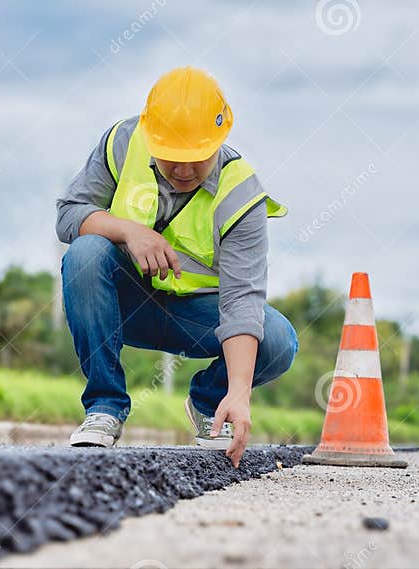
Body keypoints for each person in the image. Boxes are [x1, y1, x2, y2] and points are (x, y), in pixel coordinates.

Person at [55, 66, 299, 468]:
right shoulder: (121, 143)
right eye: (172, 159)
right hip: (125, 305)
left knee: (276, 339)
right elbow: (68, 217)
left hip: (199, 319)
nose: (184, 171)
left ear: (219, 141)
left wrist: (238, 392)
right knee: (85, 254)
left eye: (197, 159)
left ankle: (207, 403)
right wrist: (129, 231)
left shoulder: (241, 192)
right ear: (152, 138)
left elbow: (242, 299)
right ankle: (105, 406)